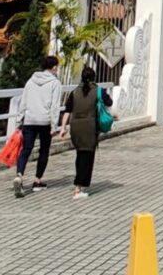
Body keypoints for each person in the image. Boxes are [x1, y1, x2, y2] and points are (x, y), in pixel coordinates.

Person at [58, 66, 111, 199]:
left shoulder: (75, 92)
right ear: (94, 78)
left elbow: (67, 111)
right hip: (90, 127)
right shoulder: (99, 91)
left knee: (80, 155)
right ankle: (78, 188)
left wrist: (63, 127)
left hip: (75, 128)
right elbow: (109, 102)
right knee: (87, 158)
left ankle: (78, 185)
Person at [12, 55, 61, 198]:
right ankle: (37, 180)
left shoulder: (30, 81)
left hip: (29, 120)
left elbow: (23, 102)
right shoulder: (55, 83)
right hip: (44, 121)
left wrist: (18, 122)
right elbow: (55, 106)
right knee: (44, 150)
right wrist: (54, 125)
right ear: (54, 67)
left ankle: (19, 175)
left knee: (26, 150)